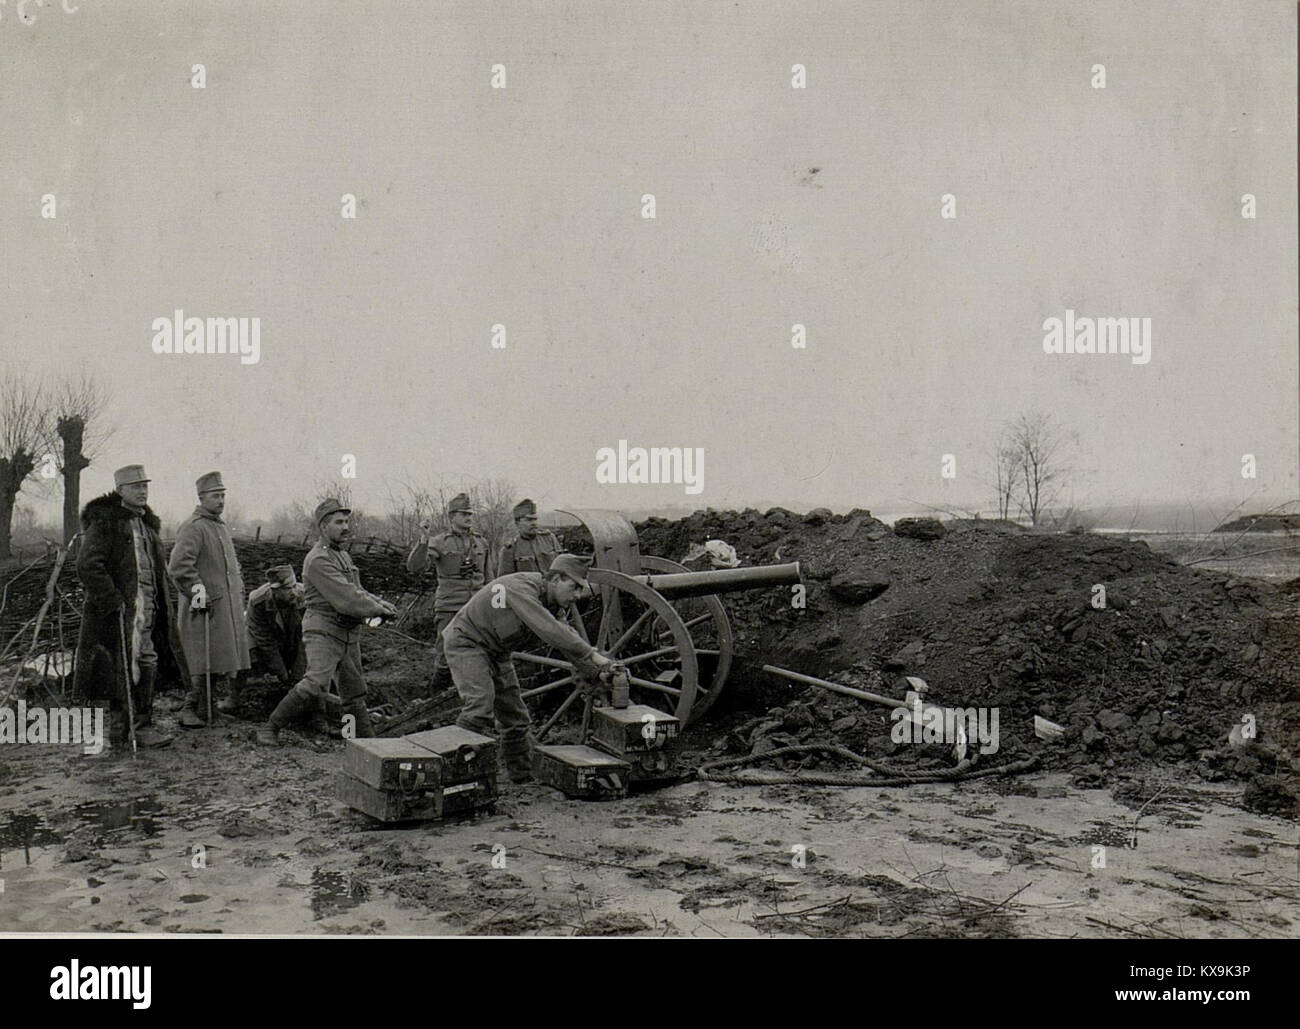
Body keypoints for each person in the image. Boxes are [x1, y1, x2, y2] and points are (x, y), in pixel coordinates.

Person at [443, 553, 613, 783]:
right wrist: (591, 653)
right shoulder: (521, 587)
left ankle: (522, 776)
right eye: (574, 587)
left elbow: (565, 637)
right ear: (556, 579)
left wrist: (594, 670)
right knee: (480, 705)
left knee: (516, 717)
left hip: (497, 652)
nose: (577, 596)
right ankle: (453, 774)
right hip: (467, 642)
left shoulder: (551, 604)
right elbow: (551, 631)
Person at [257, 499, 396, 745]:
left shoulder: (341, 555)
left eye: (346, 521)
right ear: (323, 527)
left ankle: (369, 744)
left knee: (353, 692)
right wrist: (379, 610)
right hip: (324, 631)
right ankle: (270, 728)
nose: (345, 527)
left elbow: (357, 589)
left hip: (347, 633)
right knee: (315, 683)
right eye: (338, 522)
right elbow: (347, 598)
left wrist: (382, 604)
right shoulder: (318, 560)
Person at [72, 464, 189, 750]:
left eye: (145, 486)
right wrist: (113, 600)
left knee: (143, 664)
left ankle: (134, 725)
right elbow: (88, 565)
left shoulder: (147, 526)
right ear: (120, 490)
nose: (142, 491)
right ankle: (130, 728)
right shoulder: (106, 522)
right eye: (136, 486)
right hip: (118, 614)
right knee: (124, 667)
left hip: (147, 610)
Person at [167, 471, 251, 727]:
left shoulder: (219, 527)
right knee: (199, 658)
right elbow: (180, 567)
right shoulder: (194, 527)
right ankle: (189, 708)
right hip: (203, 608)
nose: (221, 500)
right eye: (216, 496)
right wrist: (199, 594)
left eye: (223, 495)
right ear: (201, 498)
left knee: (217, 658)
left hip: (223, 606)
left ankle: (208, 708)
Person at [405, 492, 491, 695]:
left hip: (476, 607)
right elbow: (415, 567)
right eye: (463, 514)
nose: (469, 517)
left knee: (481, 653)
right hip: (450, 607)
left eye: (470, 514)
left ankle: (472, 696)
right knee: (445, 656)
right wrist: (424, 539)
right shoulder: (439, 542)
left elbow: (489, 577)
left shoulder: (481, 543)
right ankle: (434, 698)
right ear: (452, 517)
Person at [497, 498, 562, 575]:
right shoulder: (510, 549)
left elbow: (562, 568)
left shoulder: (550, 539)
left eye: (535, 519)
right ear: (517, 523)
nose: (534, 523)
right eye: (529, 520)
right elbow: (506, 580)